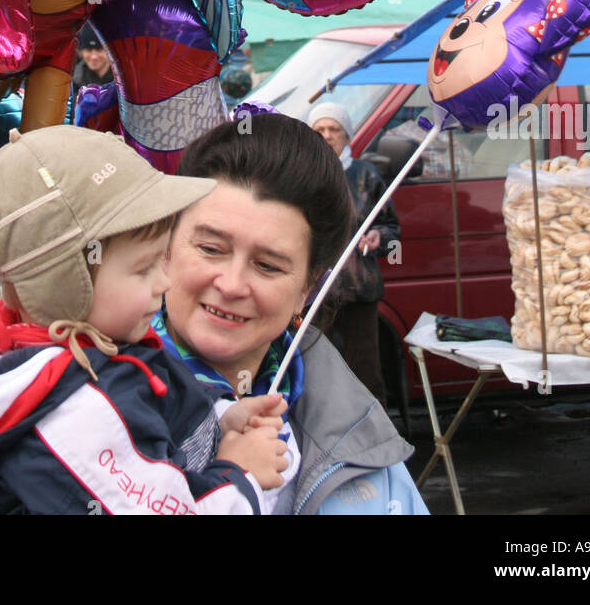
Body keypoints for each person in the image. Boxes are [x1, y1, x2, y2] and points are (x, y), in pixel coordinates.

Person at [0, 126, 289, 515]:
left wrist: (220, 420)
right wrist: (241, 475)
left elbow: (154, 397)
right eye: (144, 268)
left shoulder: (82, 343)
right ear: (65, 284)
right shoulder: (75, 418)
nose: (164, 282)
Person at [154, 112, 428, 515]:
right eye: (211, 249)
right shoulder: (89, 410)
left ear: (307, 289)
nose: (232, 285)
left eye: (268, 266)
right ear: (165, 247)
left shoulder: (360, 442)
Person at [306, 101, 401, 405]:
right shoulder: (303, 176)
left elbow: (391, 228)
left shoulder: (366, 174)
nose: (327, 135)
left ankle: (375, 431)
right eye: (320, 129)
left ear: (347, 135)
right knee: (315, 371)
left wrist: (379, 237)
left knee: (366, 371)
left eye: (334, 129)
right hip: (314, 291)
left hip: (359, 289)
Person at [72, 22, 114, 90]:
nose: (94, 57)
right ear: (81, 52)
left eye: (99, 50)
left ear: (109, 52)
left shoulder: (124, 79)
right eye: (88, 50)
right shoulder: (71, 81)